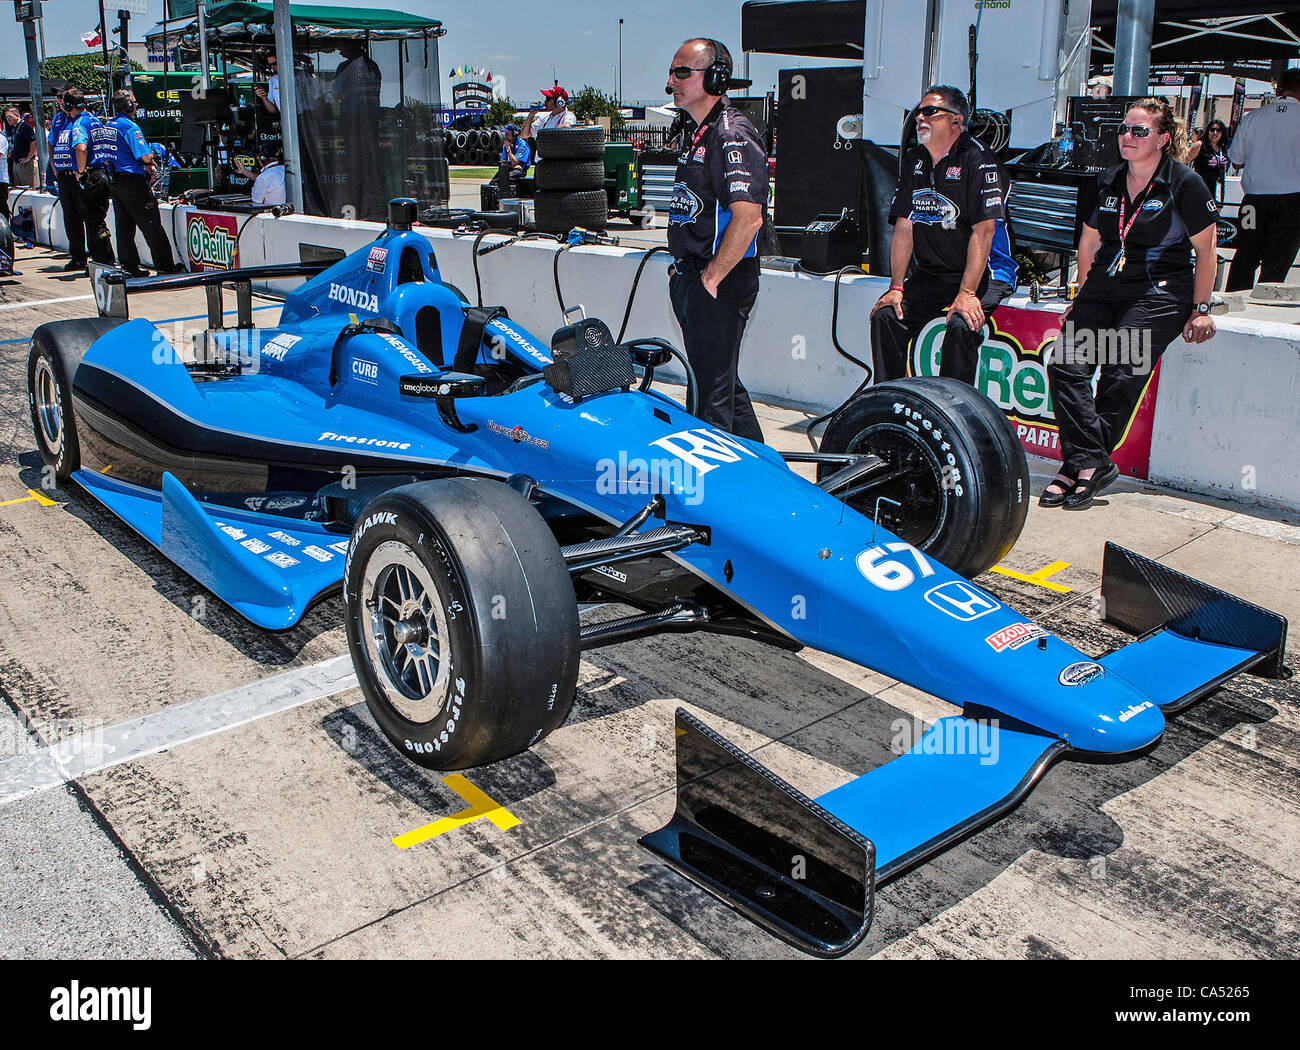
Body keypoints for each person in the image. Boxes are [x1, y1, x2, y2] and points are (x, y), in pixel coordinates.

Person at [1043, 98, 1217, 510]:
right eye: (1124, 129)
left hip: (1159, 292)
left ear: (1161, 138)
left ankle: (1077, 468)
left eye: (1139, 131)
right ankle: (1091, 462)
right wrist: (1080, 296)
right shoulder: (1108, 180)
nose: (1128, 137)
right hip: (1103, 288)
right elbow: (1089, 241)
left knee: (1121, 372)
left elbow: (1207, 252)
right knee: (1065, 365)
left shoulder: (1184, 183)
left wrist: (1202, 309)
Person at [869, 85, 1017, 385]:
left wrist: (967, 294)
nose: (920, 118)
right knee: (886, 316)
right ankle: (888, 398)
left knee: (963, 324)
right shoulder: (915, 160)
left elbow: (984, 230)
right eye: (919, 111)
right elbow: (904, 227)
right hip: (933, 273)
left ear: (957, 120)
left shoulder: (979, 158)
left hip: (986, 273)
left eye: (930, 112)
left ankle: (954, 409)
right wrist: (896, 287)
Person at [665, 37, 769, 442]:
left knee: (710, 398)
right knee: (720, 384)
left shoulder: (731, 134)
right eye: (672, 72)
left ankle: (709, 493)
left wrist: (710, 279)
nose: (671, 81)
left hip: (720, 283)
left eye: (681, 73)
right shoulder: (698, 132)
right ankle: (763, 471)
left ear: (715, 78)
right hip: (694, 277)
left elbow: (748, 219)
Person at [1224, 68, 1300, 292]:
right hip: (1291, 201)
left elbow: (1236, 161)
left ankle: (1235, 298)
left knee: (1246, 252)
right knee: (1277, 259)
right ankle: (1264, 305)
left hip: (1254, 201)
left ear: (1278, 88)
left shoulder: (1253, 118)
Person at [100, 89, 183, 278]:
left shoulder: (109, 125)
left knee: (124, 226)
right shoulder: (130, 127)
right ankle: (165, 266)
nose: (137, 105)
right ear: (128, 105)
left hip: (115, 181)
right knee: (152, 224)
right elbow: (144, 155)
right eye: (135, 102)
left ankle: (130, 266)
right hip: (133, 181)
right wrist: (150, 162)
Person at [50, 88, 114, 271]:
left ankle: (101, 262)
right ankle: (101, 259)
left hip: (89, 175)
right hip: (97, 174)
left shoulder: (79, 123)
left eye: (63, 100)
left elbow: (81, 148)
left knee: (93, 221)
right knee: (94, 220)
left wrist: (80, 171)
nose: (61, 104)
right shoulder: (93, 120)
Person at [332, 41, 383, 219]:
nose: (340, 52)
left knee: (353, 165)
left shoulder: (345, 68)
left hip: (352, 121)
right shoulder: (373, 67)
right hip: (371, 121)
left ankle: (358, 203)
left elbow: (336, 93)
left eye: (342, 48)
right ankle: (372, 204)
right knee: (370, 163)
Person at [521, 85, 577, 158]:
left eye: (548, 99)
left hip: (557, 162)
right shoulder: (544, 118)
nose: (545, 101)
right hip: (542, 161)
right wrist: (531, 115)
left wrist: (545, 134)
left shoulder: (568, 116)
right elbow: (524, 135)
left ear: (559, 102)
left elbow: (567, 126)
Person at [1186, 119, 1230, 204]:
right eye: (1212, 130)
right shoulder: (1200, 145)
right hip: (1201, 188)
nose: (1215, 133)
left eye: (1218, 130)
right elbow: (1184, 161)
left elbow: (1223, 168)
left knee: (1216, 214)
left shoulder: (1222, 148)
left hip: (1218, 187)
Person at [490, 123, 531, 199]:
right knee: (492, 183)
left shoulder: (522, 145)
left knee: (504, 181)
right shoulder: (506, 144)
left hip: (519, 170)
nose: (506, 136)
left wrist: (508, 149)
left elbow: (515, 162)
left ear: (514, 134)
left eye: (508, 134)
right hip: (508, 168)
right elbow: (503, 161)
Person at [12, 108, 38, 189]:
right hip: (17, 164)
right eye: (6, 117)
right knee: (19, 190)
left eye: (9, 117)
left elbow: (33, 141)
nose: (8, 119)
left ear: (16, 115)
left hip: (26, 165)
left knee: (28, 190)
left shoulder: (25, 127)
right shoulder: (14, 128)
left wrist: (28, 157)